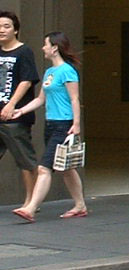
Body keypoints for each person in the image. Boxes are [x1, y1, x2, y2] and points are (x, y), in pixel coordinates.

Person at [13, 32, 86, 222]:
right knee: (66, 168)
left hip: (64, 125)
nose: (43, 48)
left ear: (54, 48)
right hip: (51, 124)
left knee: (44, 168)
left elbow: (74, 98)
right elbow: (40, 99)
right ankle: (80, 205)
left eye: (45, 45)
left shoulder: (68, 71)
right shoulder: (49, 72)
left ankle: (31, 207)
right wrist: (21, 111)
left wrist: (76, 124)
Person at [0, 12, 40, 205]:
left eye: (7, 26)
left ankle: (31, 202)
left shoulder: (24, 52)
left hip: (15, 116)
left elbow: (27, 80)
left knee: (25, 160)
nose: (2, 30)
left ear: (15, 29)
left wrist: (11, 104)